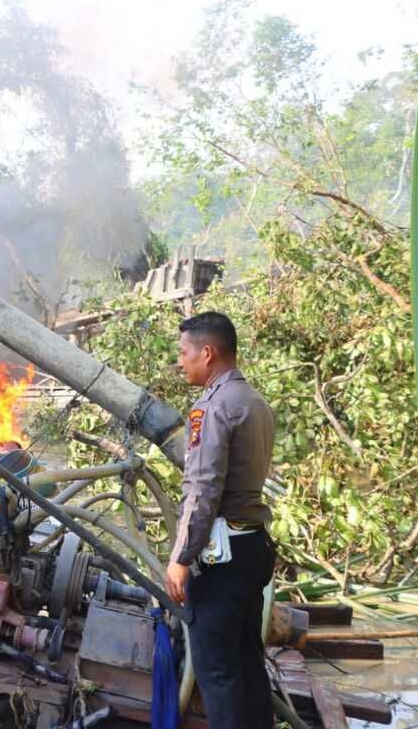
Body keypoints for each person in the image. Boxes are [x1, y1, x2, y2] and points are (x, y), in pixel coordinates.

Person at [164, 312, 277, 728]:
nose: (181, 362)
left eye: (184, 352)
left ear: (207, 353)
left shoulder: (211, 408)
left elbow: (202, 490)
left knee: (218, 673)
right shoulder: (256, 402)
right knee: (248, 664)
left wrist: (180, 557)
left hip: (221, 558)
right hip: (253, 548)